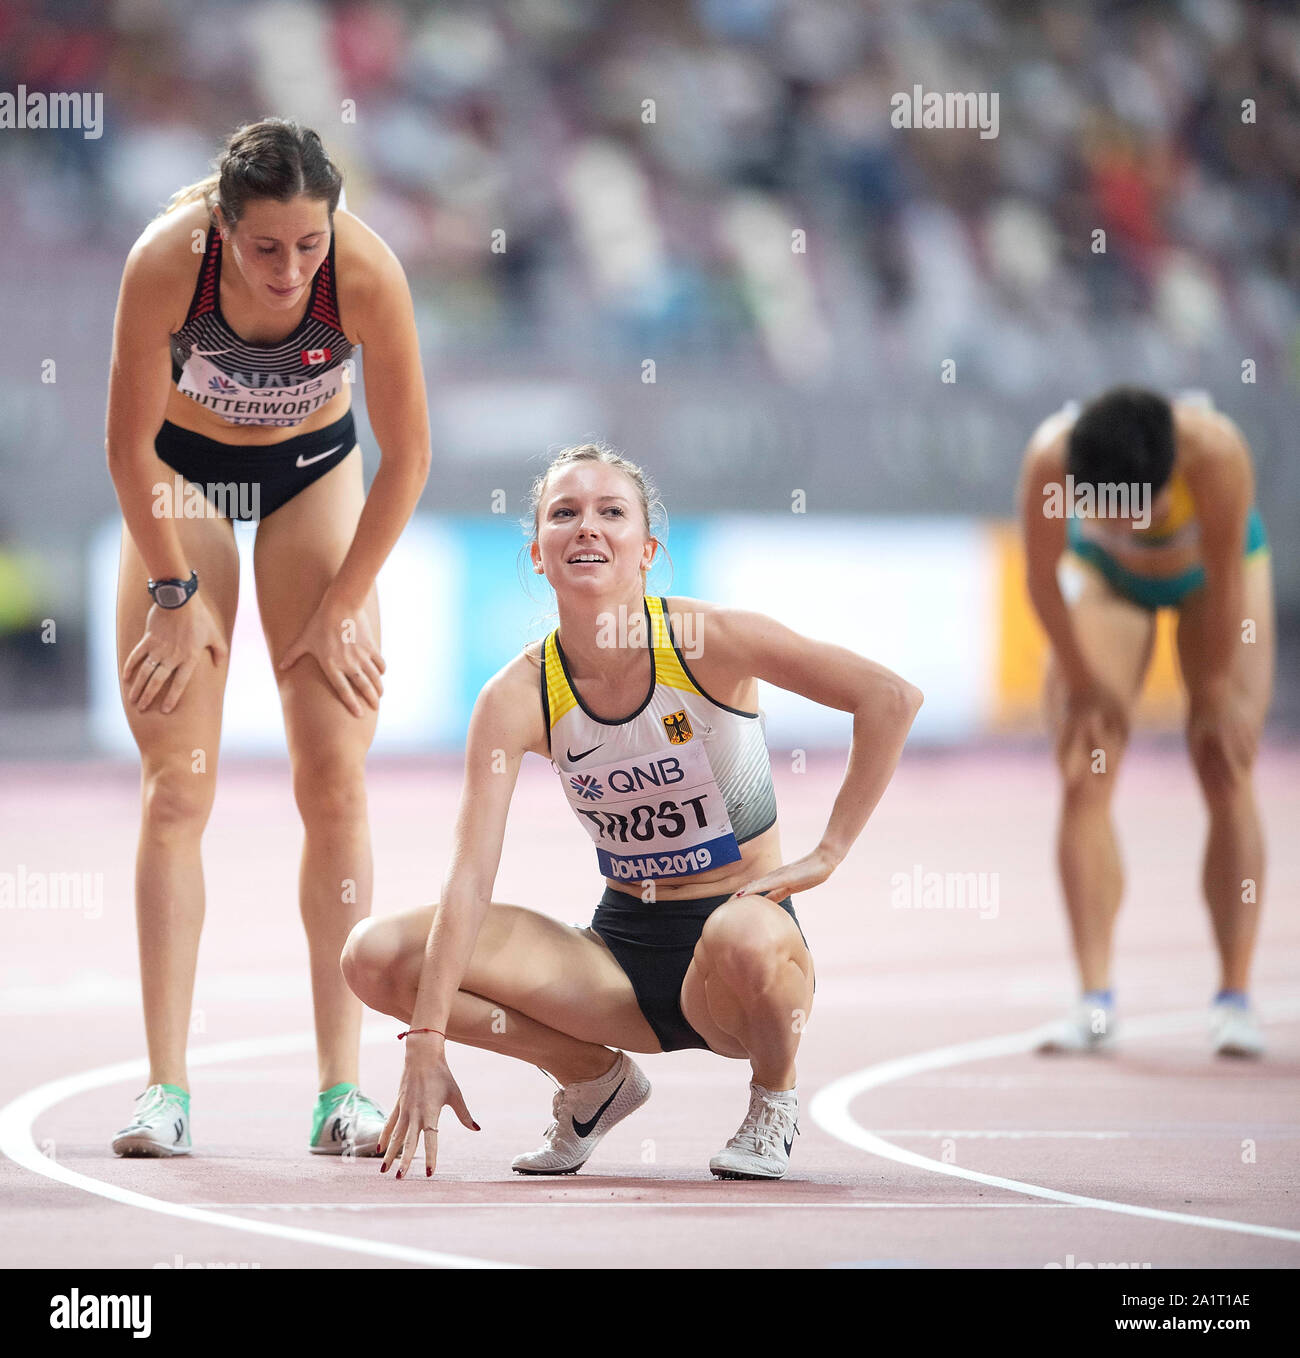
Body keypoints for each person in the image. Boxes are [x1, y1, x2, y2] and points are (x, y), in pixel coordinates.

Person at [341, 443, 923, 1180]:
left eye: (611, 512)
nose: (588, 527)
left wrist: (830, 851)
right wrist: (425, 1038)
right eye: (565, 514)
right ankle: (593, 1081)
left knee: (741, 932)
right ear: (538, 556)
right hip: (616, 962)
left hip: (740, 958)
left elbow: (890, 697)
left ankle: (773, 1102)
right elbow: (470, 875)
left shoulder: (708, 640)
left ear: (646, 550)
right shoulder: (516, 698)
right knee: (374, 956)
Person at [105, 118, 430, 1156]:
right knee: (178, 784)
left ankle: (342, 1089)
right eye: (265, 249)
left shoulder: (366, 270)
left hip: (312, 475)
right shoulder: (166, 261)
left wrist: (345, 600)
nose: (291, 271)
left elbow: (409, 456)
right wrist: (171, 586)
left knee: (334, 775)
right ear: (221, 227)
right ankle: (164, 1088)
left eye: (308, 245)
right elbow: (123, 448)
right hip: (182, 473)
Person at [1018, 387, 1274, 1057]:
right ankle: (1094, 1001)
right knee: (1084, 768)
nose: (1126, 526)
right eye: (1105, 513)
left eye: (1138, 513)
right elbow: (1042, 582)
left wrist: (1217, 688)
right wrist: (1080, 679)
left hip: (1211, 587)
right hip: (1110, 585)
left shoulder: (1216, 453)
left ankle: (1235, 999)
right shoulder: (1051, 458)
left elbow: (1226, 581)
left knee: (1224, 764)